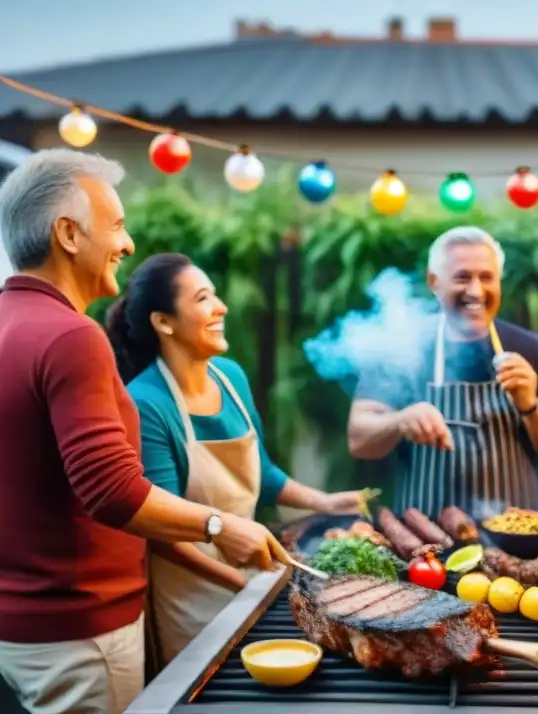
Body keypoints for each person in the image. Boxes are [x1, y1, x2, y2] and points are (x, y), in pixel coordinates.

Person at [0, 149, 277, 714]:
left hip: (24, 627)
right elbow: (111, 490)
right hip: (81, 634)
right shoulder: (72, 335)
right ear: (68, 235)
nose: (127, 243)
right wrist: (220, 525)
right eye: (117, 224)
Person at [106, 252, 369, 667]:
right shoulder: (148, 403)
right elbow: (163, 533)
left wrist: (326, 502)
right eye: (203, 298)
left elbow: (260, 473)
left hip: (253, 577)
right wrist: (242, 585)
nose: (221, 307)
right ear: (164, 321)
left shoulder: (230, 377)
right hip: (192, 597)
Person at [347, 225, 538, 520]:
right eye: (462, 277)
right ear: (434, 282)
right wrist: (399, 421)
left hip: (514, 542)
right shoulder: (404, 346)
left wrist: (530, 405)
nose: (475, 291)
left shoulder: (530, 349)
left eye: (486, 277)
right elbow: (358, 439)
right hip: (423, 544)